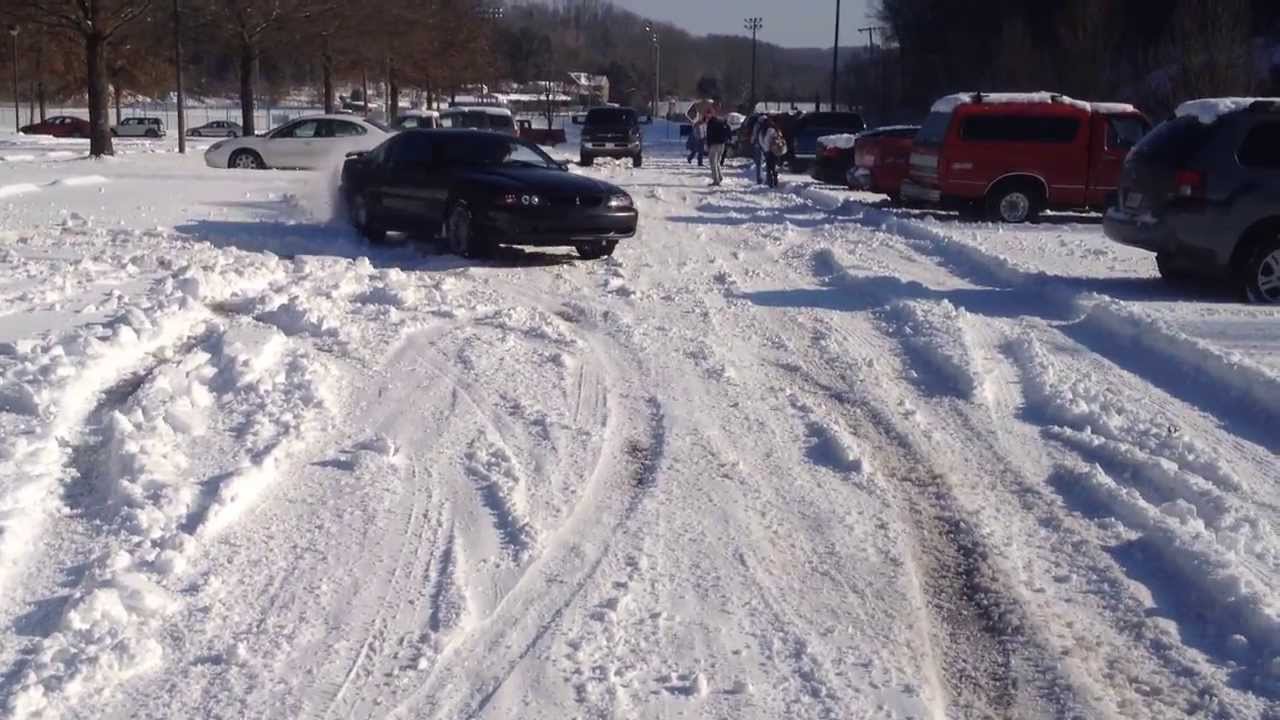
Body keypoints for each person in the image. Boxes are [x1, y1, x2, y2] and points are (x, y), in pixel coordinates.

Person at [706, 112, 732, 186]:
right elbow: (728, 130)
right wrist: (728, 139)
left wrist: (708, 145)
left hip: (714, 144)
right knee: (717, 161)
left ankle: (716, 180)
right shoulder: (722, 122)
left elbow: (709, 135)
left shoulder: (711, 123)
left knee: (712, 163)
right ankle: (720, 177)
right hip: (722, 144)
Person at [762, 118, 785, 188]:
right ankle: (775, 180)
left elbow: (766, 141)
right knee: (775, 166)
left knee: (769, 167)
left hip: (770, 151)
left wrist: (766, 150)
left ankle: (770, 182)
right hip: (777, 151)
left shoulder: (769, 130)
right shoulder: (778, 130)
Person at [751, 115, 769, 185]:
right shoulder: (769, 125)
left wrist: (752, 142)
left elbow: (754, 135)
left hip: (758, 145)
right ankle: (768, 178)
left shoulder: (757, 125)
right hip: (767, 146)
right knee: (768, 163)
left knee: (759, 163)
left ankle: (759, 179)